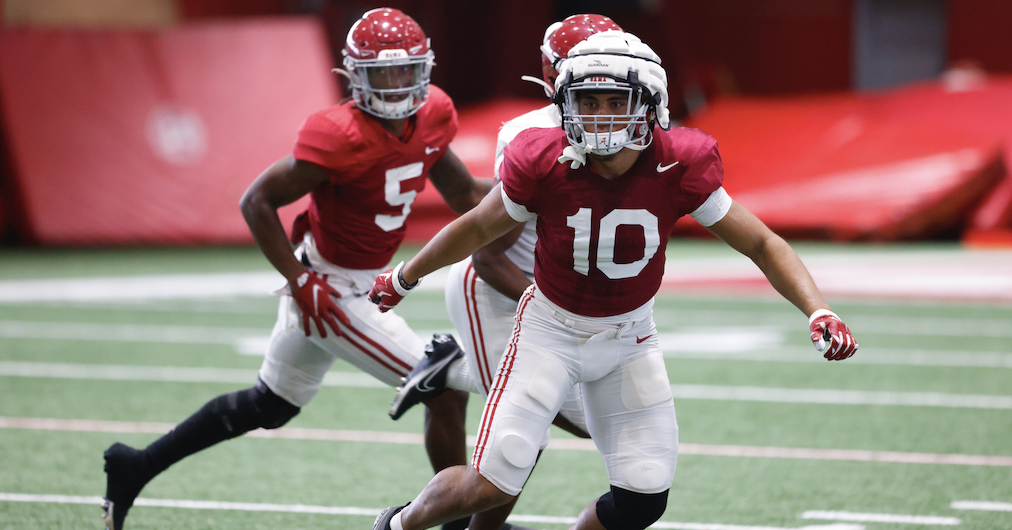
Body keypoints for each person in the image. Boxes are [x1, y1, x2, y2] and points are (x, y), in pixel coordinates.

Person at [367, 30, 859, 530]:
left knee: (643, 497)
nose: (599, 115)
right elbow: (476, 226)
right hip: (549, 330)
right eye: (586, 101)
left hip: (629, 337)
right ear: (564, 103)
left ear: (649, 104)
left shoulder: (680, 161)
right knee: (497, 475)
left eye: (614, 101)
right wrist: (405, 277)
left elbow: (761, 242)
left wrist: (817, 309)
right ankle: (398, 524)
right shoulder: (542, 156)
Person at [100, 8, 491, 530]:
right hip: (329, 289)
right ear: (355, 77)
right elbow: (256, 200)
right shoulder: (339, 133)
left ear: (424, 70)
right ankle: (457, 521)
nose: (397, 86)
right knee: (442, 387)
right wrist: (298, 278)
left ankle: (135, 465)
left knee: (271, 403)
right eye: (383, 74)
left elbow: (464, 193)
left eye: (406, 72)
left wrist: (527, 202)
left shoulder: (435, 113)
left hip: (353, 279)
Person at [388, 13, 626, 437]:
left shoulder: (637, 128)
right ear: (557, 75)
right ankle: (453, 369)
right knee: (552, 425)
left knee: (582, 419)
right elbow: (489, 254)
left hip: (551, 283)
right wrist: (568, 314)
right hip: (500, 284)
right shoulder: (534, 136)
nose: (605, 85)